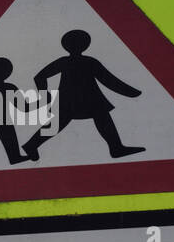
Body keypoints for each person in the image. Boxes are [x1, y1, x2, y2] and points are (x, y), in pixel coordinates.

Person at [20, 29, 145, 160]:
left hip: (81, 100)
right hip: (80, 100)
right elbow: (108, 80)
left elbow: (108, 80)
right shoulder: (86, 61)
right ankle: (116, 148)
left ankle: (116, 148)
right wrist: (130, 92)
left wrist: (130, 92)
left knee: (99, 117)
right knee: (65, 122)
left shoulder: (71, 61)